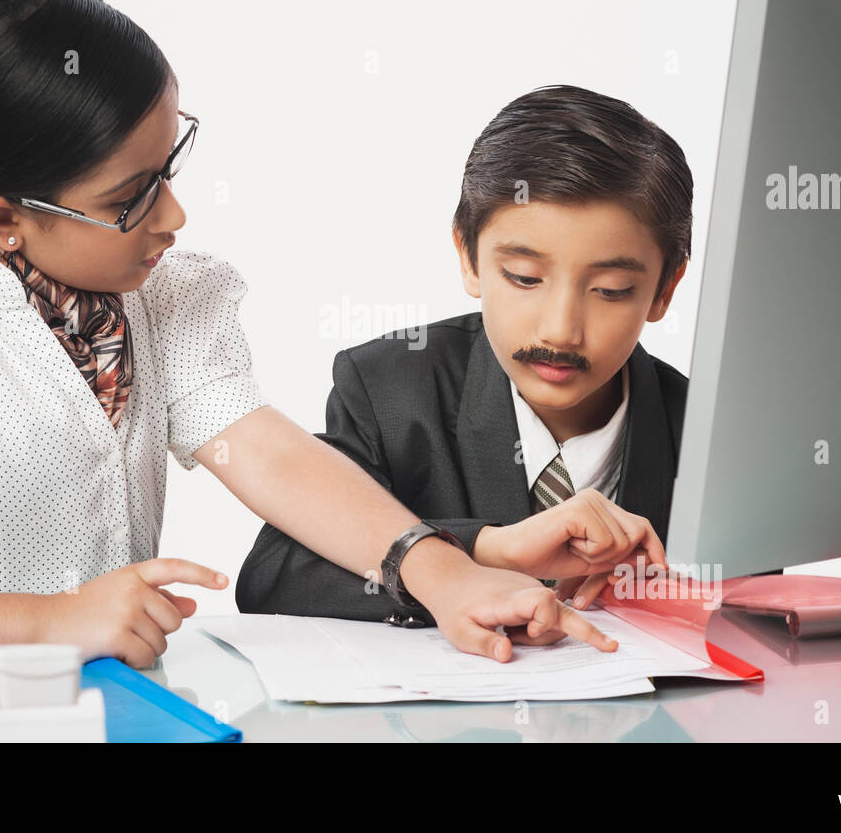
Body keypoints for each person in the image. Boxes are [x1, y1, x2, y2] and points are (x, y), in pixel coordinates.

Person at [0, 0, 663, 669]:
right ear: (4, 219)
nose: (173, 218)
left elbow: (266, 453)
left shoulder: (166, 303)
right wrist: (48, 621)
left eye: (169, 168)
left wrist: (438, 567)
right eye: (134, 197)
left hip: (95, 715)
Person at [238, 85, 692, 624]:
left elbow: (754, 613)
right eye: (524, 278)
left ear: (664, 289)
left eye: (612, 289)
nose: (561, 330)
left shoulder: (706, 430)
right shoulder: (390, 390)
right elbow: (275, 577)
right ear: (470, 260)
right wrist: (476, 553)